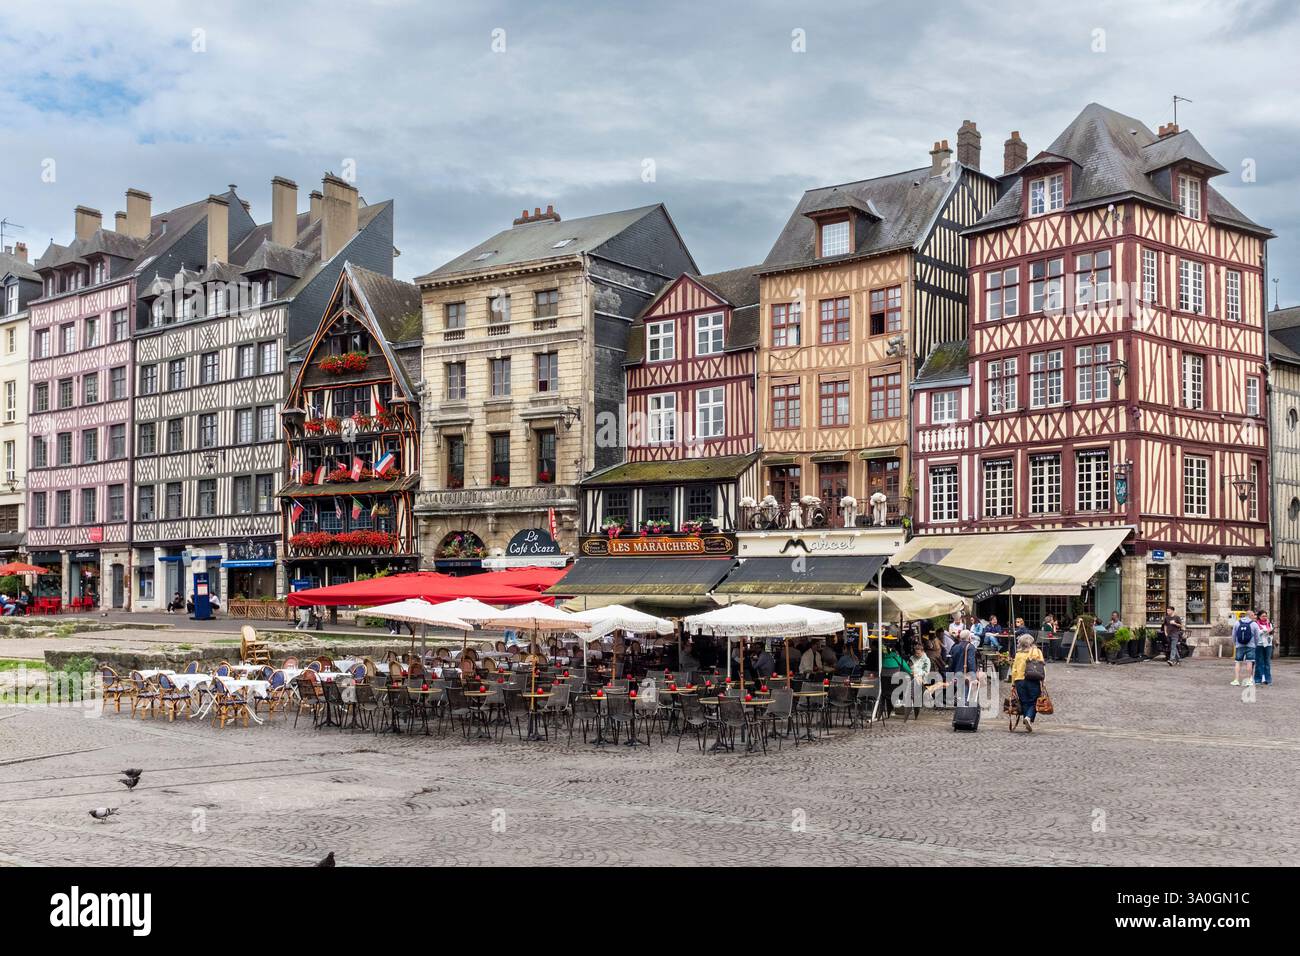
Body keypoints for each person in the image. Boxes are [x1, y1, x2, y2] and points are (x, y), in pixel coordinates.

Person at [1009, 633, 1045, 733]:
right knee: (1034, 701)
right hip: (1032, 680)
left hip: (1019, 680)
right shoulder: (1037, 652)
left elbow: (1014, 669)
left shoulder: (1018, 654)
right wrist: (1043, 681)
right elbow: (1042, 666)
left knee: (1024, 701)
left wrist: (1012, 684)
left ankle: (1026, 721)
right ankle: (1028, 718)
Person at [948, 630, 979, 705]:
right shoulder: (970, 647)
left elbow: (951, 662)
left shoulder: (955, 647)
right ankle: (963, 713)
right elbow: (970, 661)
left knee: (961, 695)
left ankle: (961, 708)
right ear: (969, 637)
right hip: (966, 674)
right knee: (964, 698)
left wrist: (950, 674)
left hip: (956, 673)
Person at [1231, 610, 1260, 687]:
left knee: (1238, 662)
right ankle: (1249, 680)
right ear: (1250, 615)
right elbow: (1257, 636)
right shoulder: (1254, 624)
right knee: (1249, 662)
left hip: (1239, 645)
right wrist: (1255, 644)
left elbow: (1233, 635)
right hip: (1251, 646)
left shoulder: (1237, 623)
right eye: (1253, 615)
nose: (1254, 617)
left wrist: (1235, 644)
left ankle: (1236, 680)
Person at [1255, 609, 1274, 686]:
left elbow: (1272, 632)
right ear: (1259, 617)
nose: (1265, 617)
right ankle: (1258, 679)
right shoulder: (1255, 624)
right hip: (1259, 645)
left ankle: (1268, 679)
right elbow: (1256, 633)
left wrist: (1270, 631)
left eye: (1266, 616)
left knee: (1267, 662)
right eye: (1263, 616)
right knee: (1259, 662)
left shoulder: (1269, 623)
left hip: (1268, 644)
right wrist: (1264, 631)